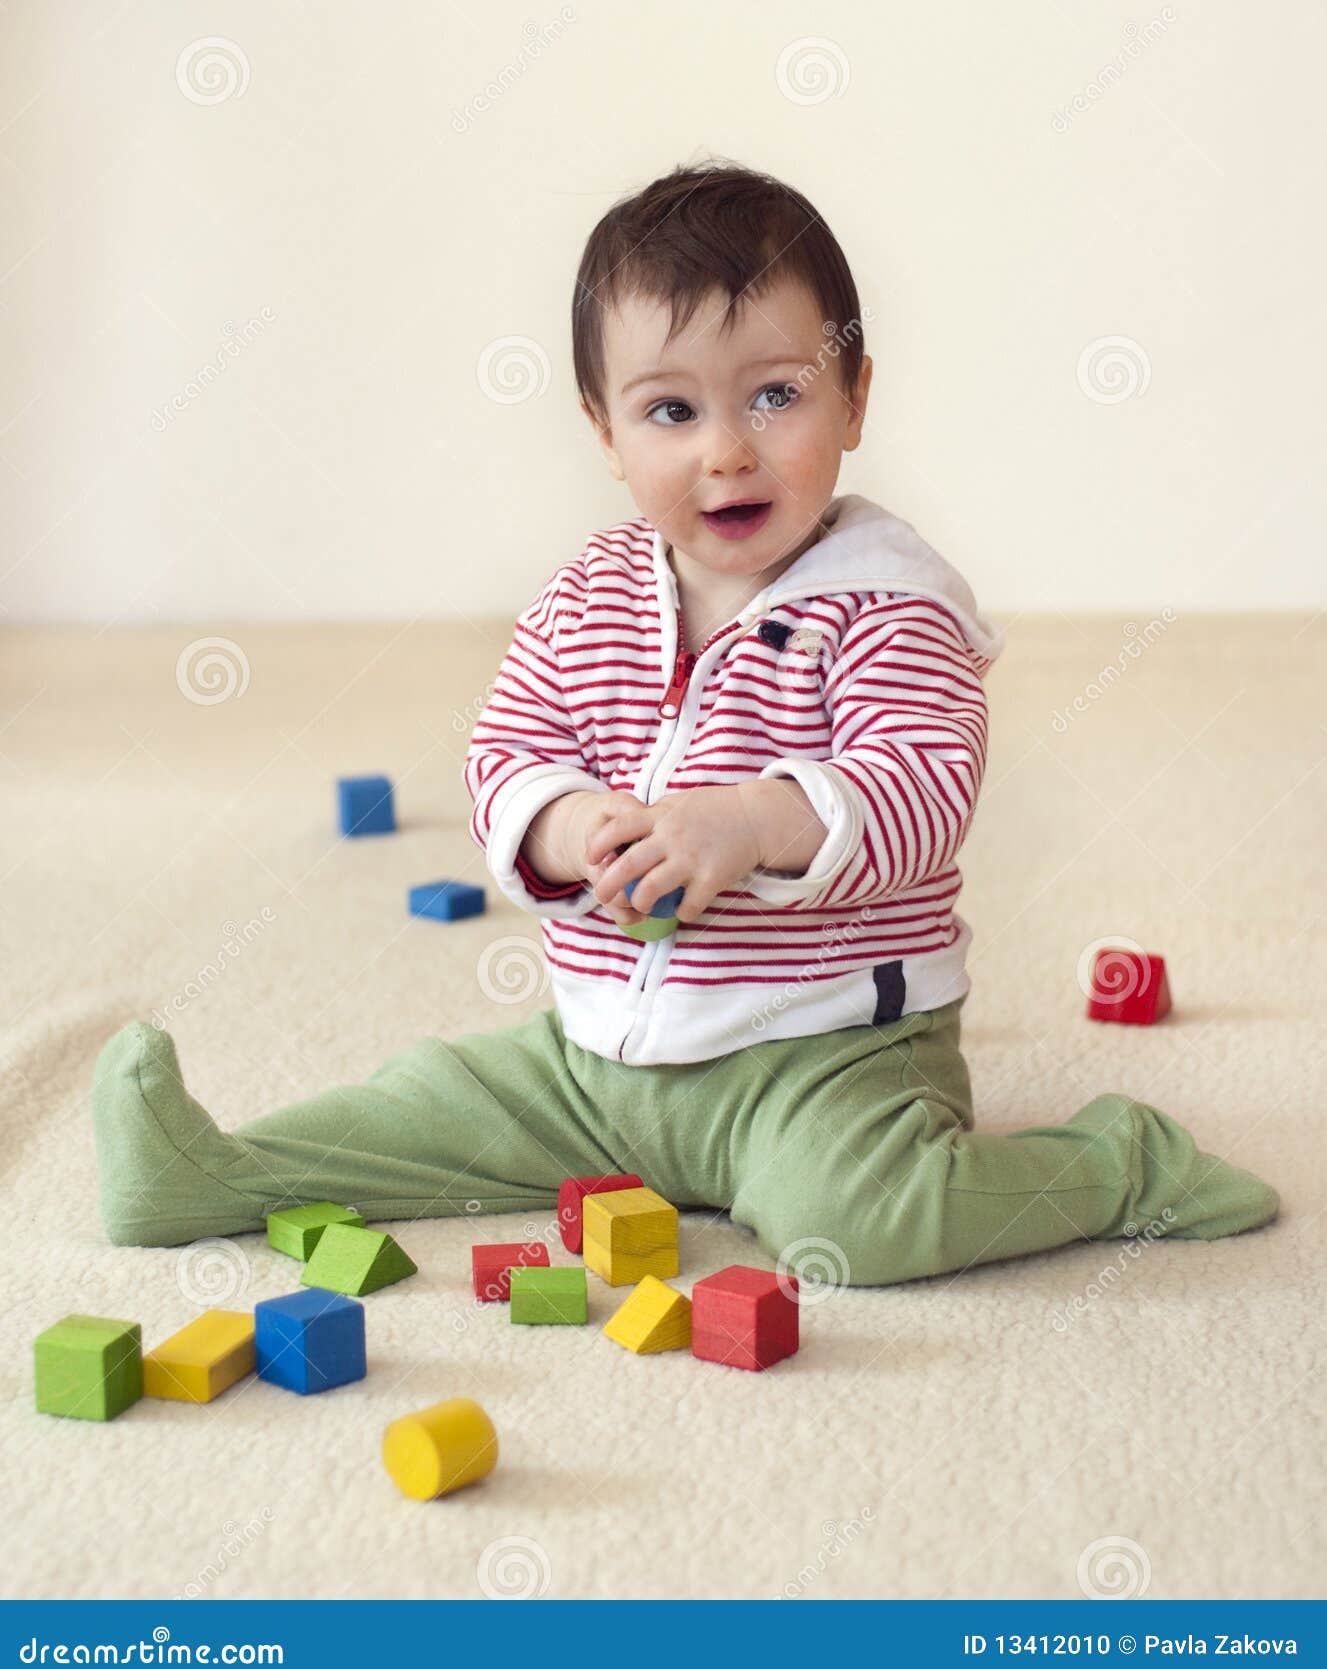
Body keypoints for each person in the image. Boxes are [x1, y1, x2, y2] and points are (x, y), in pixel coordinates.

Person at [92, 160, 1278, 1285]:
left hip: (825, 1056)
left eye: (776, 394)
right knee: (430, 1103)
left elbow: (921, 788)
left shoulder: (889, 603)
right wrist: (568, 826)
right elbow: (505, 754)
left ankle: (1120, 1164)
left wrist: (752, 822)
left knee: (858, 1219)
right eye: (670, 409)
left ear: (854, 398)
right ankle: (220, 1171)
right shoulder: (586, 597)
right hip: (599, 1058)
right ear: (604, 434)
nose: (727, 449)